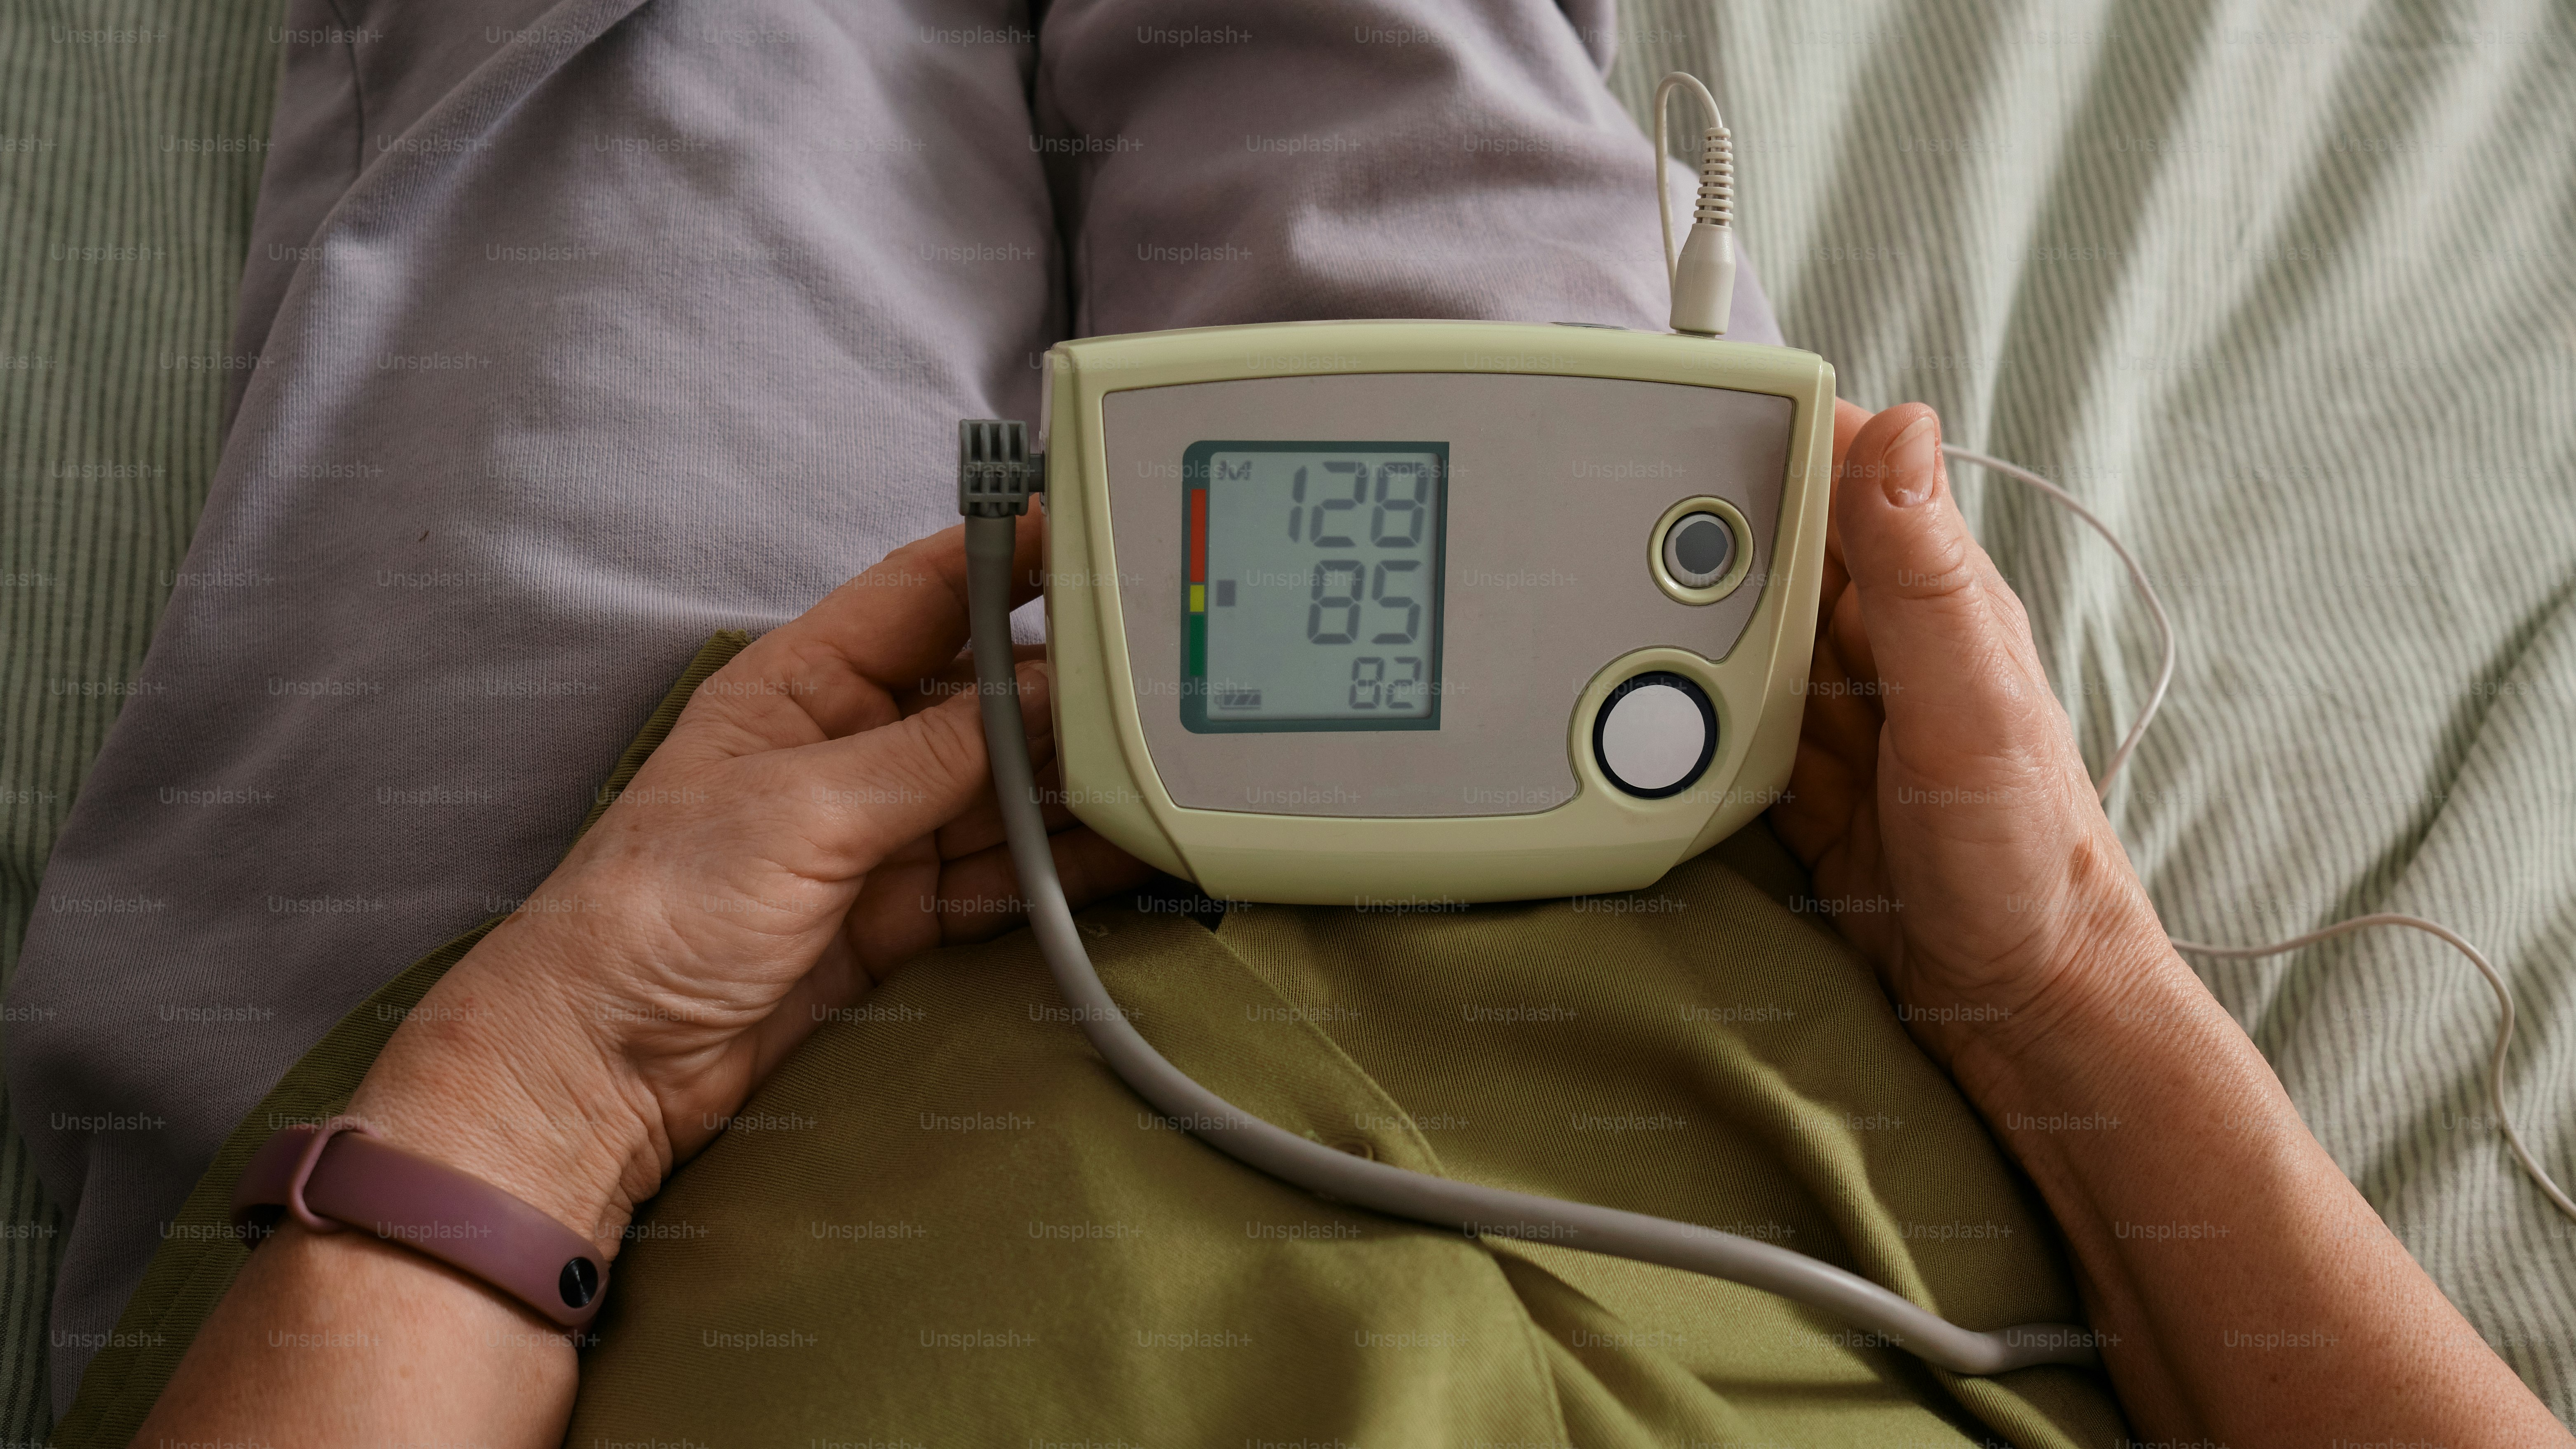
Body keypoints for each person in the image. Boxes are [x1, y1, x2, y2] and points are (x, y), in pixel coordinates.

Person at [134, 399, 2571, 1445]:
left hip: (655, 1010)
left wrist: (547, 1077)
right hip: (1732, 934)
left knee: (671, 112)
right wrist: (2052, 978)